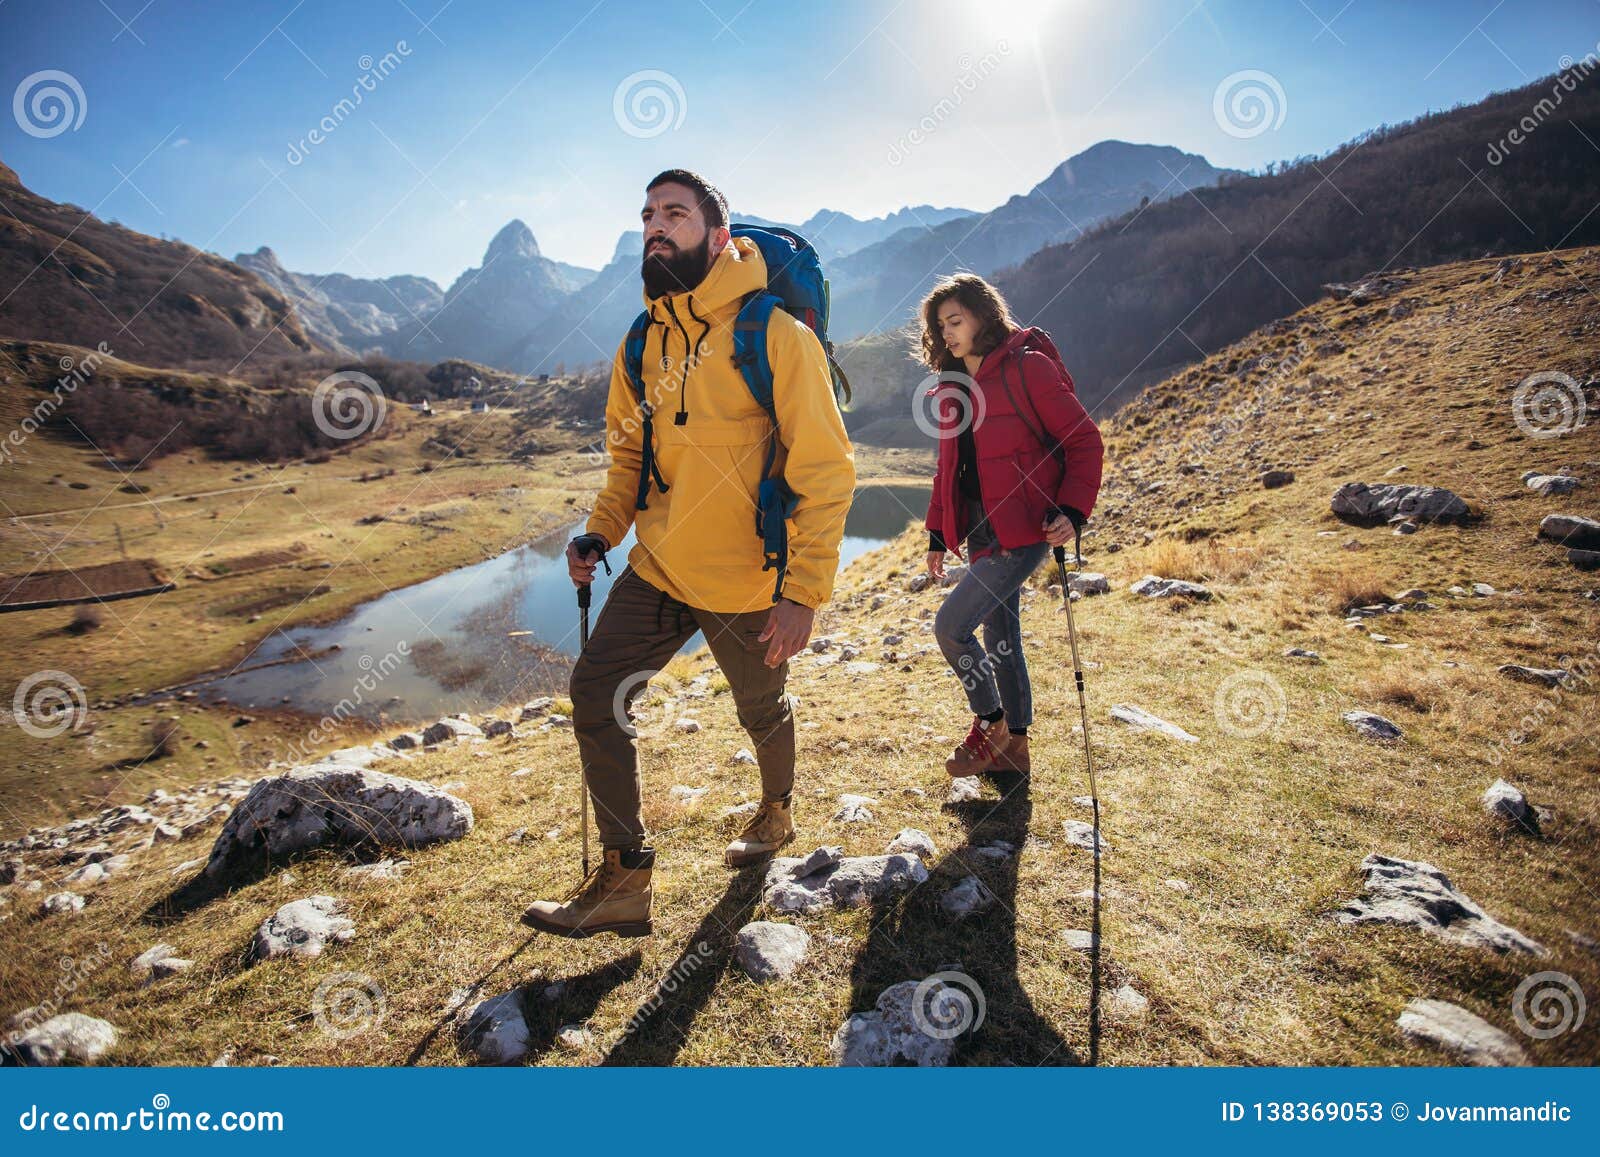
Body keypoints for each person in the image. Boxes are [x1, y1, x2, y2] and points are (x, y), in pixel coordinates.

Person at [523, 169, 855, 939]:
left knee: (760, 707)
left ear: (719, 235)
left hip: (747, 579)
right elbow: (627, 465)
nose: (655, 226)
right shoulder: (641, 342)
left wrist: (803, 591)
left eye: (675, 212)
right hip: (661, 567)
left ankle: (775, 813)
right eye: (647, 214)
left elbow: (827, 471)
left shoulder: (774, 334)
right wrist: (601, 532)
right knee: (597, 691)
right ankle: (624, 878)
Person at [922, 273, 1104, 779]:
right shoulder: (953, 385)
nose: (949, 333)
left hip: (1025, 528)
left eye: (956, 321)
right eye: (941, 325)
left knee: (952, 628)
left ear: (985, 316)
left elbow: (1084, 442)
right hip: (980, 528)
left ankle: (990, 722)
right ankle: (1015, 751)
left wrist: (1072, 512)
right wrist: (939, 532)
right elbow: (948, 467)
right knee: (1001, 633)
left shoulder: (1030, 369)